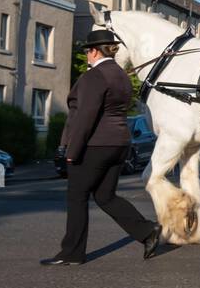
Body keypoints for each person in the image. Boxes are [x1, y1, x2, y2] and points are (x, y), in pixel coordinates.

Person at [42, 28, 162, 266]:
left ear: (95, 51)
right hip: (119, 143)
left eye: (87, 51)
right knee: (105, 197)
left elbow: (85, 116)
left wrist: (71, 150)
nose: (86, 55)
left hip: (95, 144)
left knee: (77, 197)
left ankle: (72, 253)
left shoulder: (94, 76)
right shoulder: (120, 75)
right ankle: (147, 231)